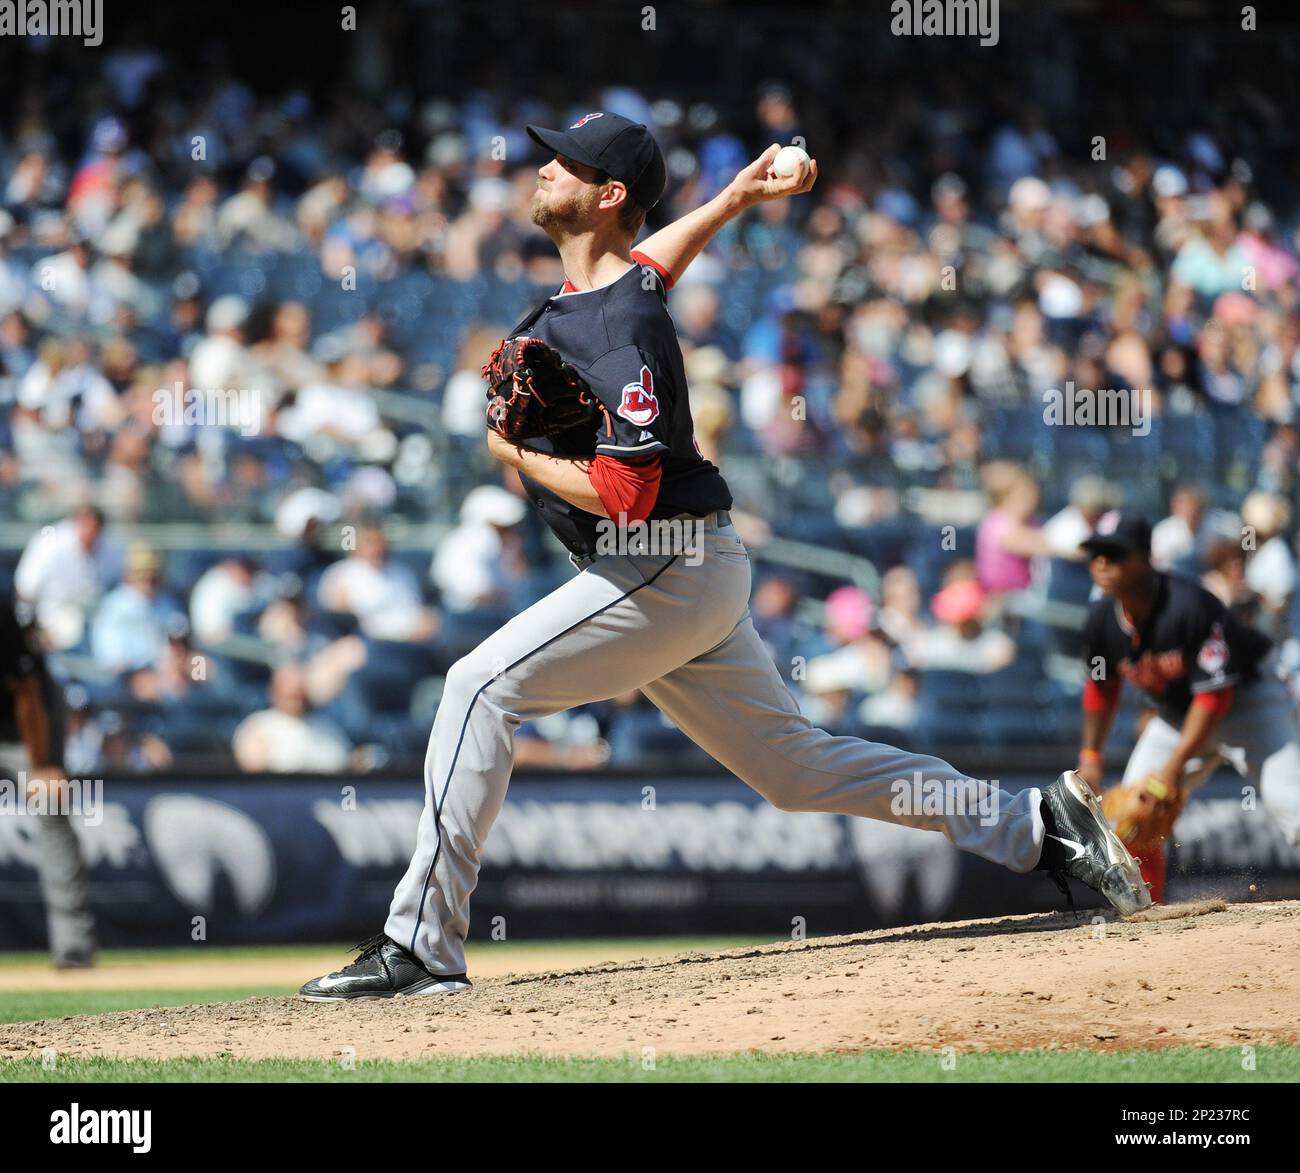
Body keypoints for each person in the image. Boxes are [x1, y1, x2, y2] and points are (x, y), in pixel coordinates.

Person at [300, 112, 1149, 1002]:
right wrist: (738, 196)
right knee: (795, 769)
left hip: (660, 560)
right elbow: (654, 261)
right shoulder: (612, 290)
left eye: (567, 163)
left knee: (478, 686)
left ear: (608, 195)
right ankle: (1038, 826)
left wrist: (513, 455)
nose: (544, 168)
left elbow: (629, 493)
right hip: (683, 570)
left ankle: (422, 945)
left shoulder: (622, 327)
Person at [1074, 511, 1297, 902]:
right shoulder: (1100, 620)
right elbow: (1101, 688)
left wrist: (1174, 769)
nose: (1103, 563)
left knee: (1292, 803)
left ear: (1144, 557)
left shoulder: (1188, 604)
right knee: (1129, 819)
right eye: (1096, 554)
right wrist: (1091, 754)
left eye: (1114, 553)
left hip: (1248, 702)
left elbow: (1215, 697)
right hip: (1178, 717)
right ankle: (1149, 915)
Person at [0, 595, 96, 968]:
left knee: (51, 803)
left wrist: (42, 765)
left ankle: (73, 949)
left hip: (24, 728)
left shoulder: (2, 614)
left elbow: (28, 692)